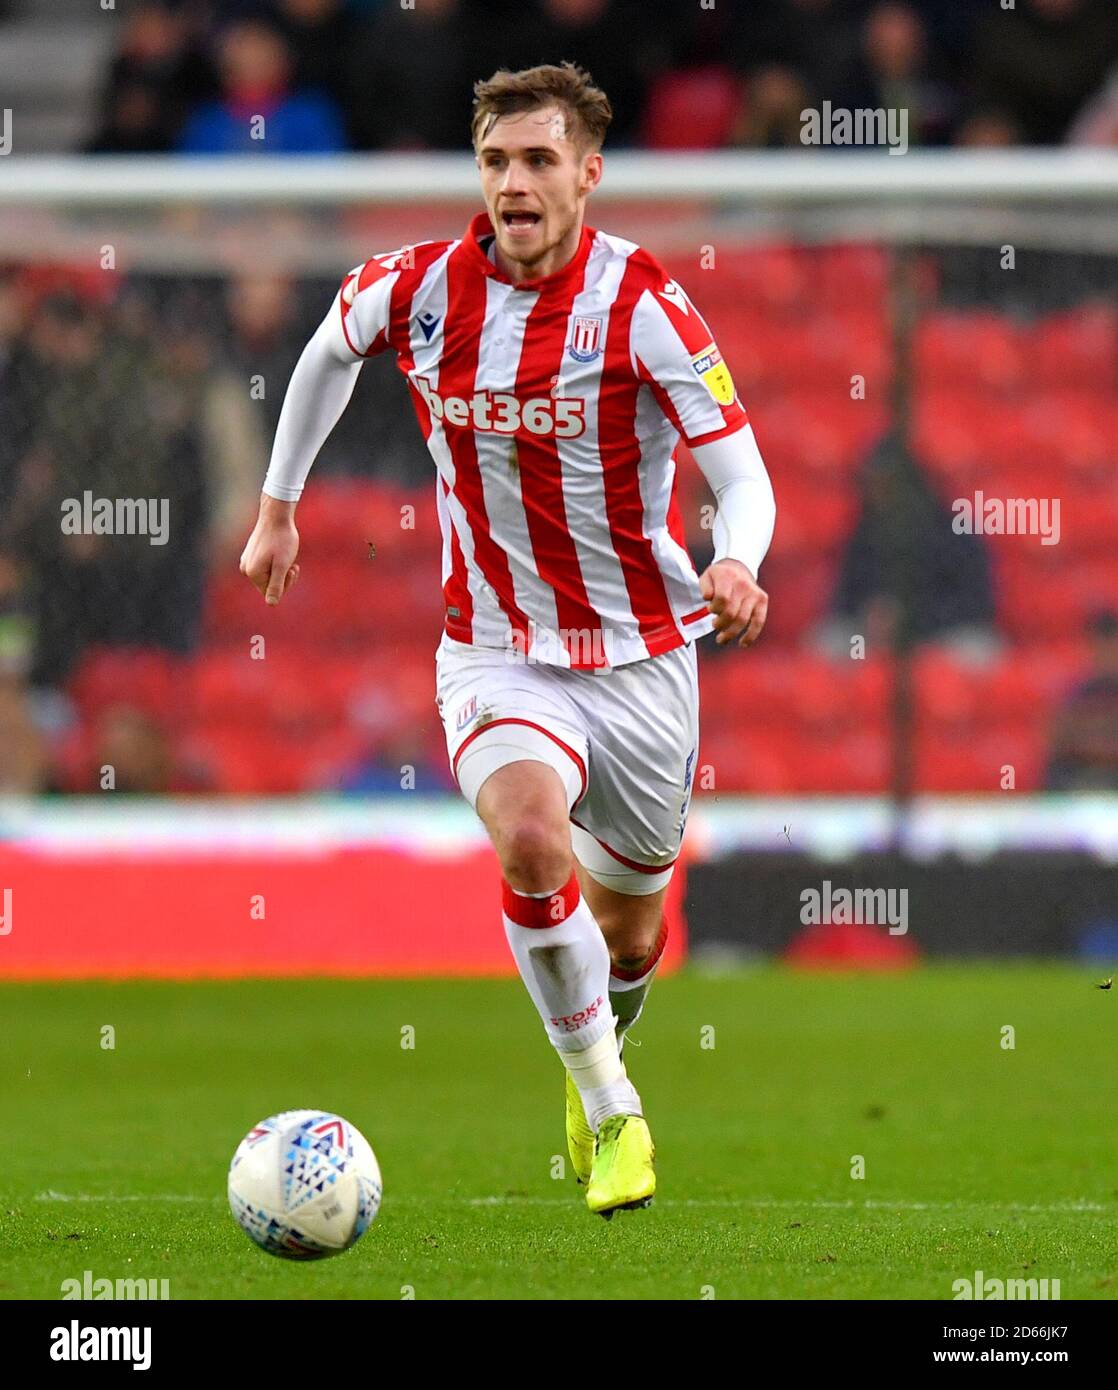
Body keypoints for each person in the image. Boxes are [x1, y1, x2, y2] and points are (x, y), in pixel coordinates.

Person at [239, 63, 775, 1218]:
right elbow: (329, 350)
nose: (513, 184)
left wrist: (738, 558)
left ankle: (598, 1040)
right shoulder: (421, 289)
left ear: (587, 173)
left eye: (537, 161)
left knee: (633, 935)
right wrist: (279, 503)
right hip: (493, 648)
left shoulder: (643, 304)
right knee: (530, 842)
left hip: (640, 657)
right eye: (494, 162)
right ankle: (612, 1103)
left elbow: (743, 476)